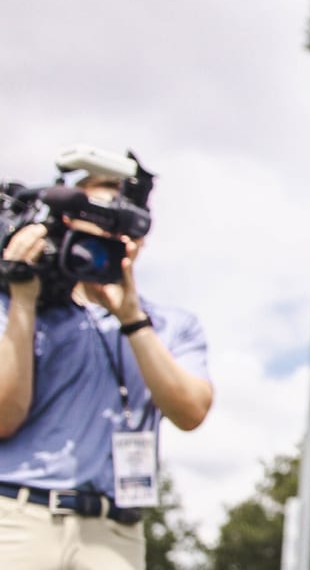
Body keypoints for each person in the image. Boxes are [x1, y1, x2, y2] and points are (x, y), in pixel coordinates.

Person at [0, 174, 213, 570]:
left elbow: (191, 411)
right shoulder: (14, 303)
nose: (105, 232)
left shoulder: (172, 325)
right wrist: (23, 302)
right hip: (18, 517)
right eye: (93, 216)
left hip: (115, 534)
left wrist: (131, 318)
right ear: (66, 224)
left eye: (118, 222)